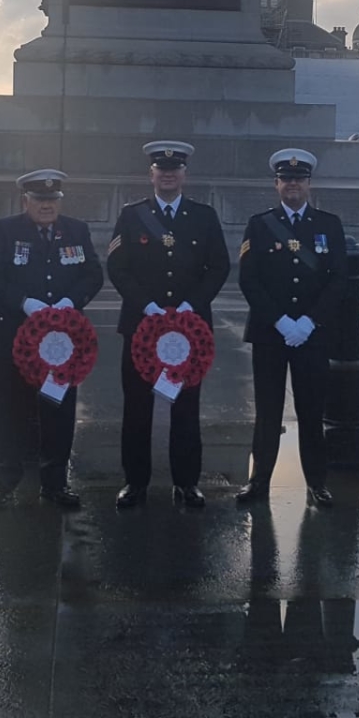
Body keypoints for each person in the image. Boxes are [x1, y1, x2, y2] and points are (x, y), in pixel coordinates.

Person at [108, 141, 231, 509]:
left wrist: (190, 307)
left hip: (189, 330)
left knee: (186, 408)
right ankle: (135, 482)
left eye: (174, 170)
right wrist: (147, 307)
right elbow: (117, 267)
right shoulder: (132, 216)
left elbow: (219, 266)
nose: (168, 175)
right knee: (137, 408)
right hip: (140, 327)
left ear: (184, 175)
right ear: (151, 175)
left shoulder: (203, 216)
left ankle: (187, 482)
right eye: (161, 170)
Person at [0, 169, 103, 510]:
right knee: (9, 409)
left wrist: (70, 302)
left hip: (62, 342)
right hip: (14, 337)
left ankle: (55, 483)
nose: (46, 206)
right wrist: (23, 302)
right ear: (25, 201)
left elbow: (93, 274)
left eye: (52, 200)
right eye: (39, 200)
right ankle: (3, 483)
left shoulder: (76, 230)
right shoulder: (4, 230)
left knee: (58, 409)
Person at [236, 149, 347, 507]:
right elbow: (250, 280)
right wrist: (281, 320)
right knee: (267, 411)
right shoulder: (259, 224)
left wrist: (310, 321)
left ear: (309, 184)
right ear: (277, 184)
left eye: (299, 179)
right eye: (287, 179)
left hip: (312, 335)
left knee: (311, 411)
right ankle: (259, 481)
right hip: (271, 333)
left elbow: (339, 279)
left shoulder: (329, 225)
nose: (293, 185)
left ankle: (317, 482)